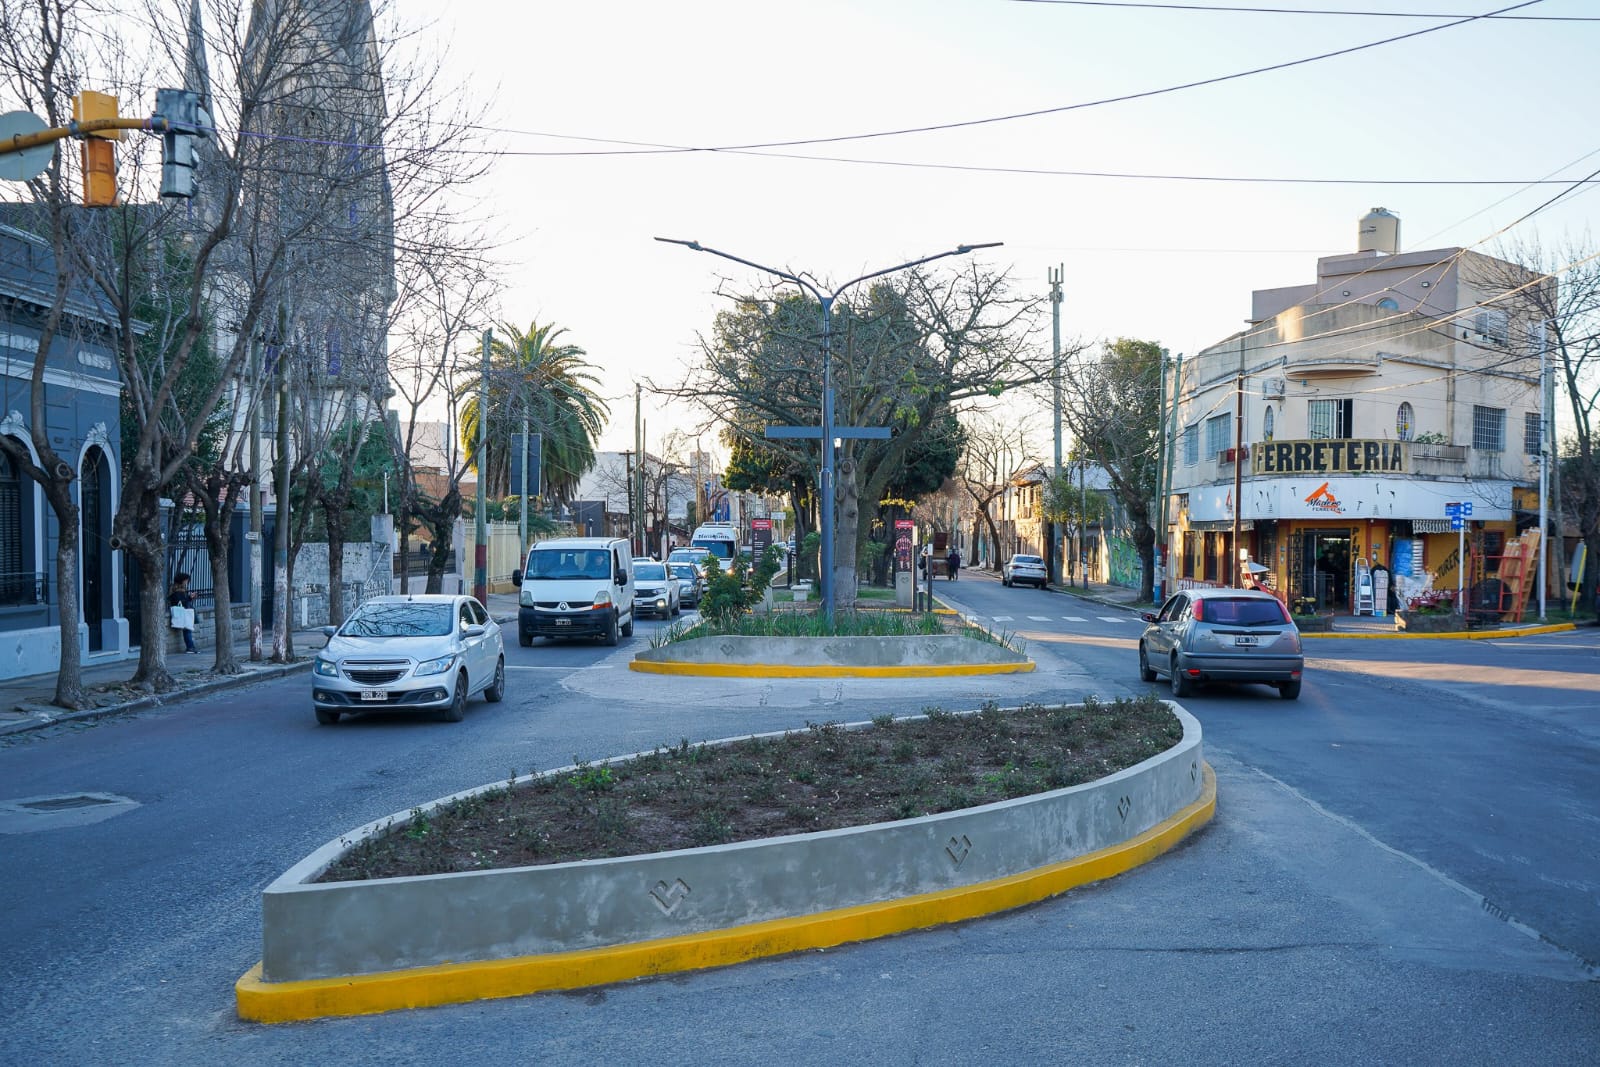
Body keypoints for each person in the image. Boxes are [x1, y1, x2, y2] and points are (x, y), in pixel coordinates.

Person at [168, 572, 198, 654]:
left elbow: (183, 601)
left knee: (187, 630)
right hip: (182, 613)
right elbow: (180, 602)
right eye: (186, 580)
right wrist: (189, 597)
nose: (187, 582)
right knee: (187, 629)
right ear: (182, 581)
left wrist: (190, 597)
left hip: (183, 613)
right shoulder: (177, 591)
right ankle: (190, 647)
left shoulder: (181, 590)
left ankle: (191, 647)